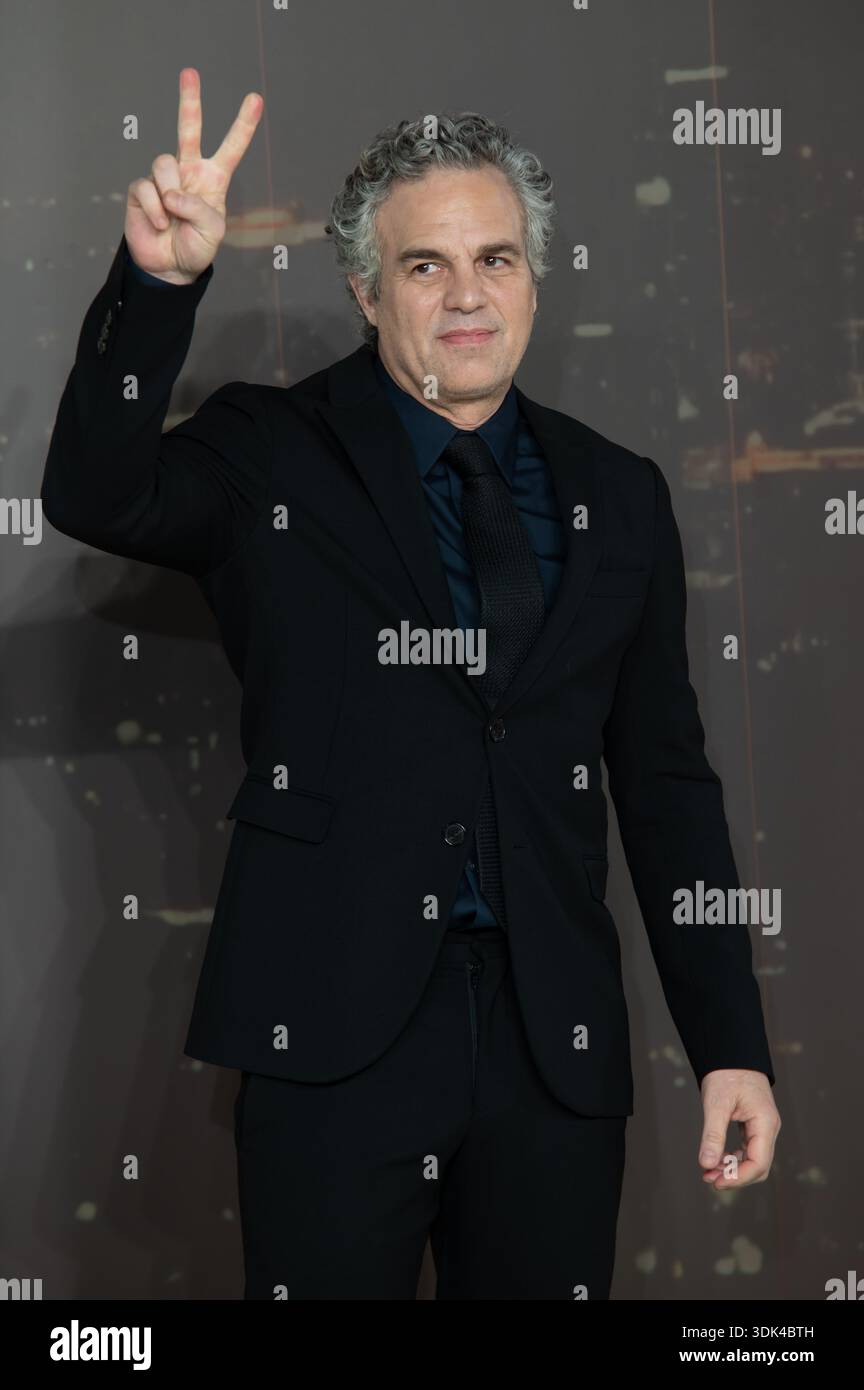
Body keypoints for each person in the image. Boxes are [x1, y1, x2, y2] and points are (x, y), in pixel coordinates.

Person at [41, 67, 781, 1300]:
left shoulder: (621, 493)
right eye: (426, 266)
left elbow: (664, 784)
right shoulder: (272, 448)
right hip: (332, 1034)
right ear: (365, 287)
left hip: (556, 1052)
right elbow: (94, 493)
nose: (468, 295)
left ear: (536, 277)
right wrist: (160, 285)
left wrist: (731, 1047)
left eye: (496, 259)